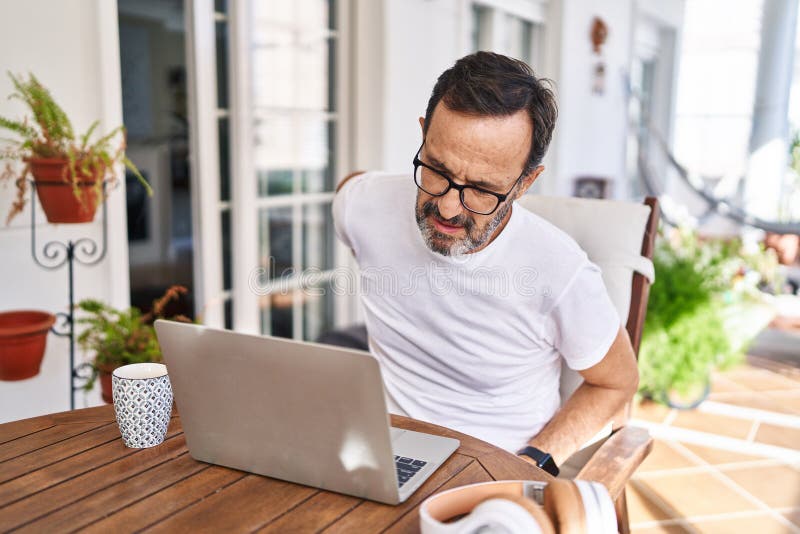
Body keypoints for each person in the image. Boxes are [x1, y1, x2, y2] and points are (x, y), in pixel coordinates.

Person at [332, 51, 639, 475]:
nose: (448, 207)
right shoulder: (363, 205)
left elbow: (618, 382)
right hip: (380, 454)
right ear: (423, 136)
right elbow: (350, 194)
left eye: (481, 189)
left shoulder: (560, 272)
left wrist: (533, 462)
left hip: (493, 473)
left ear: (525, 183)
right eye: (437, 169)